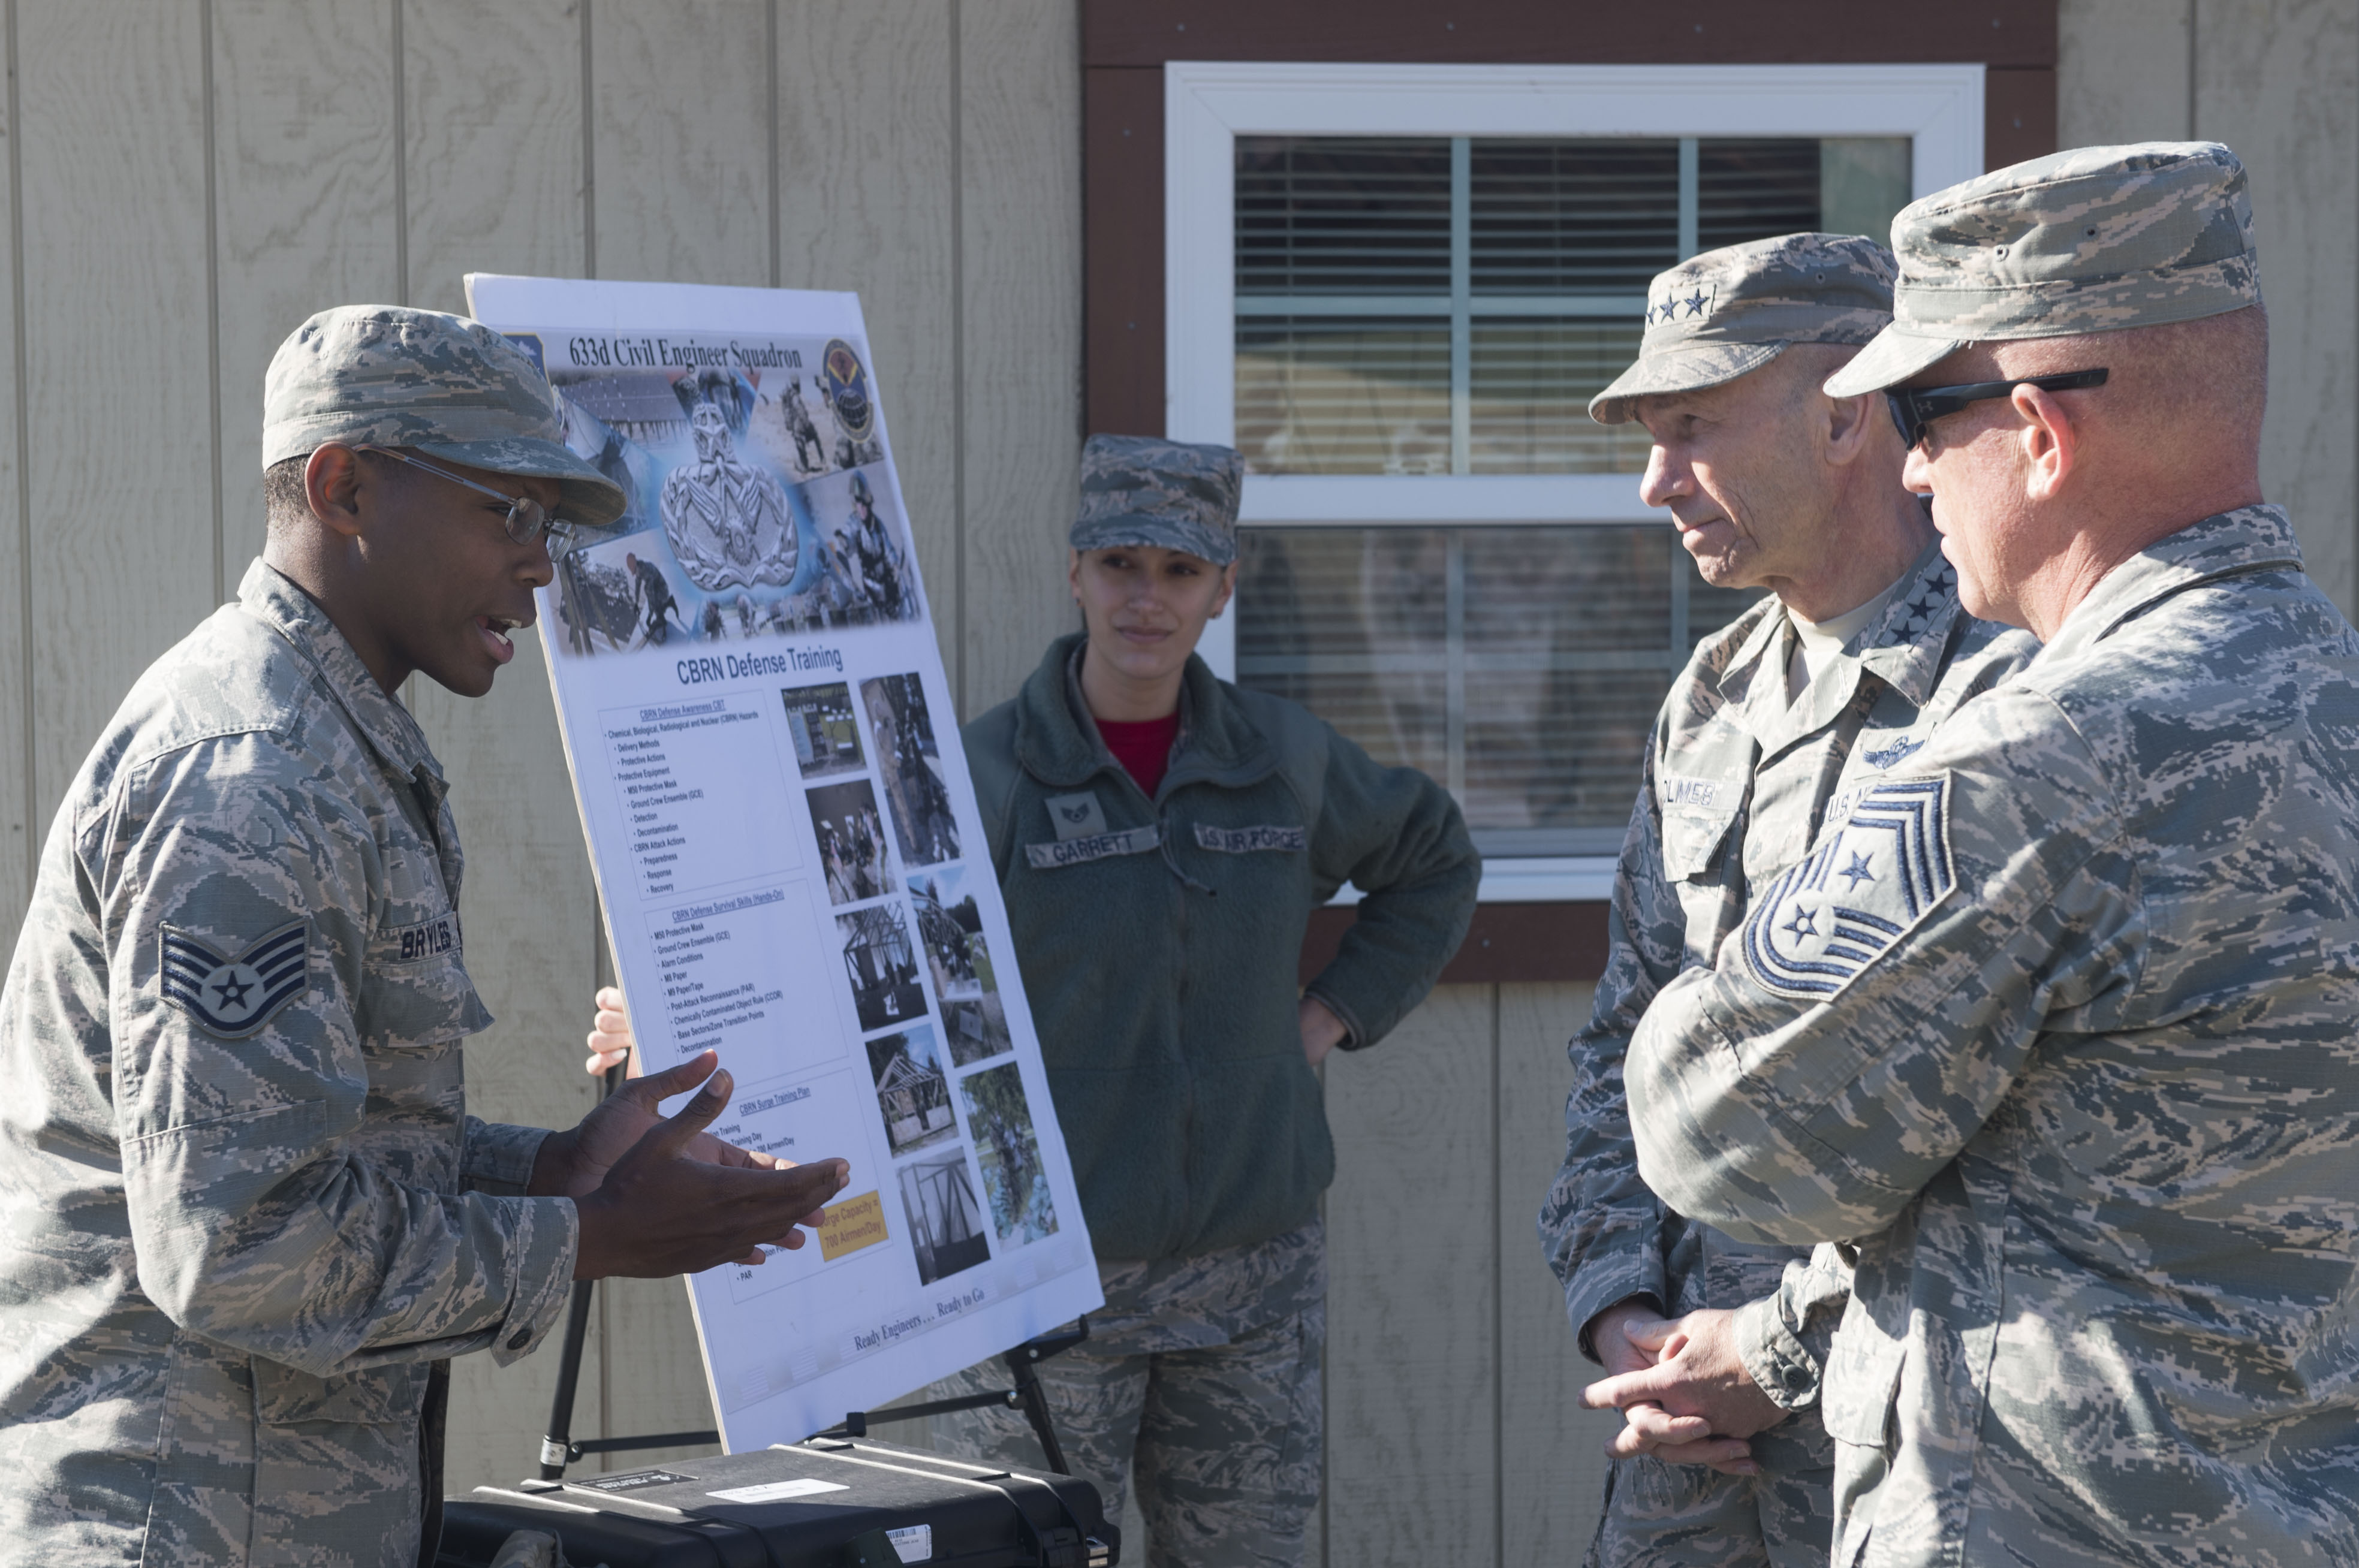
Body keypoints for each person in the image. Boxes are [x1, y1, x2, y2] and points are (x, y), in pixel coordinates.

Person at [0, 306, 850, 1568]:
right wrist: (594, 1239)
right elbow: (240, 1249)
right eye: (507, 513)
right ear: (344, 488)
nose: (542, 565)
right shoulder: (248, 781)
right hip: (179, 1527)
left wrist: (552, 1171)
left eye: (550, 525)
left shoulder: (331, 744)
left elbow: (331, 1146)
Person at [1621, 143, 2359, 1566]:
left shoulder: (2043, 757)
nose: (1908, 467)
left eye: (1921, 414)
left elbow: (1711, 1125)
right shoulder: (2326, 687)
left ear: (2038, 433)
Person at [589, 433, 1480, 1567]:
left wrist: (1329, 1016)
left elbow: (1434, 860)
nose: (1146, 599)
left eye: (1178, 571)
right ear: (1075, 575)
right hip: (1048, 1291)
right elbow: (841, 940)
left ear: (1222, 588)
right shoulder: (982, 772)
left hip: (1253, 1281)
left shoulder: (1283, 763)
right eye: (1120, 565)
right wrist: (677, 1016)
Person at [1537, 234, 2038, 1568]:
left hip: (1923, 1430)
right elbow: (1630, 1034)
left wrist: (1769, 1354)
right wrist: (1623, 1313)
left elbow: (2011, 1108)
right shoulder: (1712, 697)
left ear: (1844, 416)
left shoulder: (2012, 690)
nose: (1656, 482)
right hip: (1688, 1432)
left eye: (1694, 427)